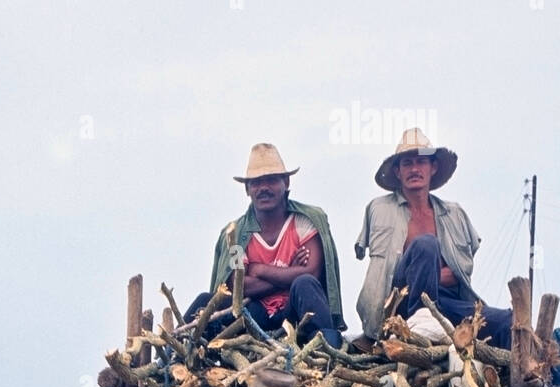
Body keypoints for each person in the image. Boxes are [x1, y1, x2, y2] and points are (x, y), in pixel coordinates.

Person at [355, 128, 512, 348]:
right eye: (407, 163)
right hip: (400, 305)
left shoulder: (453, 214)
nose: (415, 169)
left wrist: (424, 274)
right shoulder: (380, 209)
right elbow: (389, 273)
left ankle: (529, 381)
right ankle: (421, 321)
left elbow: (459, 274)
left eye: (421, 162)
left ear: (433, 168)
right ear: (398, 172)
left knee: (506, 321)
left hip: (447, 303)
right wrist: (426, 272)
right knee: (426, 244)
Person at [187, 143, 345, 347]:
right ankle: (177, 356)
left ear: (286, 182)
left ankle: (327, 347)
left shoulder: (306, 220)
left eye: (271, 180)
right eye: (256, 183)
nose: (264, 188)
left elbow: (312, 272)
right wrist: (289, 271)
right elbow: (238, 285)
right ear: (247, 189)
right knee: (204, 302)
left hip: (295, 313)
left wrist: (259, 269)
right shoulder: (235, 234)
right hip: (254, 315)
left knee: (304, 283)